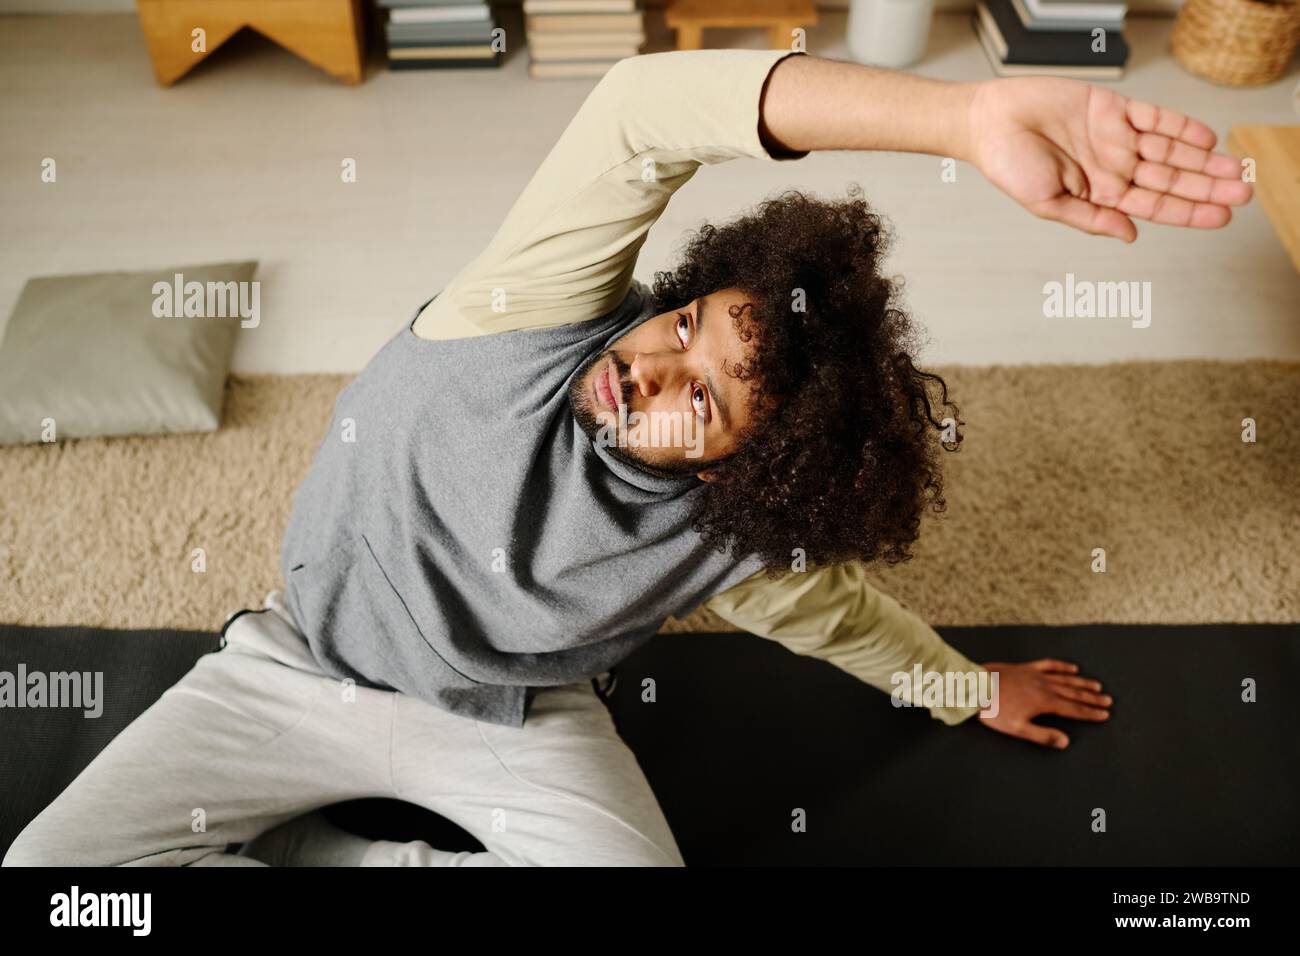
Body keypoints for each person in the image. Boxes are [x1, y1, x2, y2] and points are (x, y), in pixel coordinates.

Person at [4, 48, 1250, 867]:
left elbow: (841, 620)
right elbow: (638, 114)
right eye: (687, 325)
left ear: (731, 476)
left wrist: (966, 688)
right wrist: (964, 115)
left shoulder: (726, 541)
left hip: (505, 714)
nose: (653, 371)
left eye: (698, 405)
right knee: (52, 885)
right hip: (293, 665)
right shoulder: (534, 309)